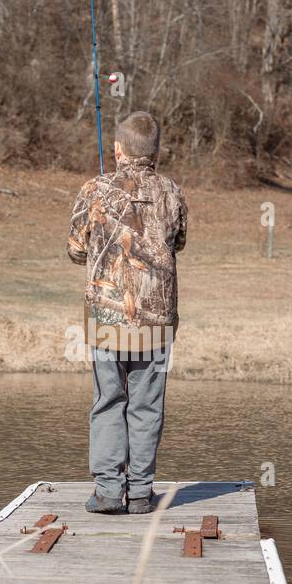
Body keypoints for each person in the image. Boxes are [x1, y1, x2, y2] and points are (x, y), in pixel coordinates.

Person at [67, 110, 187, 514]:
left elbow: (75, 250)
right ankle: (139, 494)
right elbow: (178, 242)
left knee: (108, 401)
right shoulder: (172, 192)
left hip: (106, 320)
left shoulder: (94, 189)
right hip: (156, 322)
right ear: (156, 153)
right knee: (147, 407)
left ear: (117, 149)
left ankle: (106, 492)